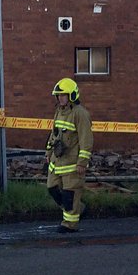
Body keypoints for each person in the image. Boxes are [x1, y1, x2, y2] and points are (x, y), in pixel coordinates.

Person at [45, 77, 94, 232]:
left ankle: (70, 224)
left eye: (63, 95)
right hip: (57, 161)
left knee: (69, 194)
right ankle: (79, 208)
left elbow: (86, 140)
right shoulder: (59, 111)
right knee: (52, 188)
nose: (60, 98)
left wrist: (82, 162)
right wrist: (48, 151)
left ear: (72, 95)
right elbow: (54, 134)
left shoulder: (81, 114)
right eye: (58, 95)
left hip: (72, 164)